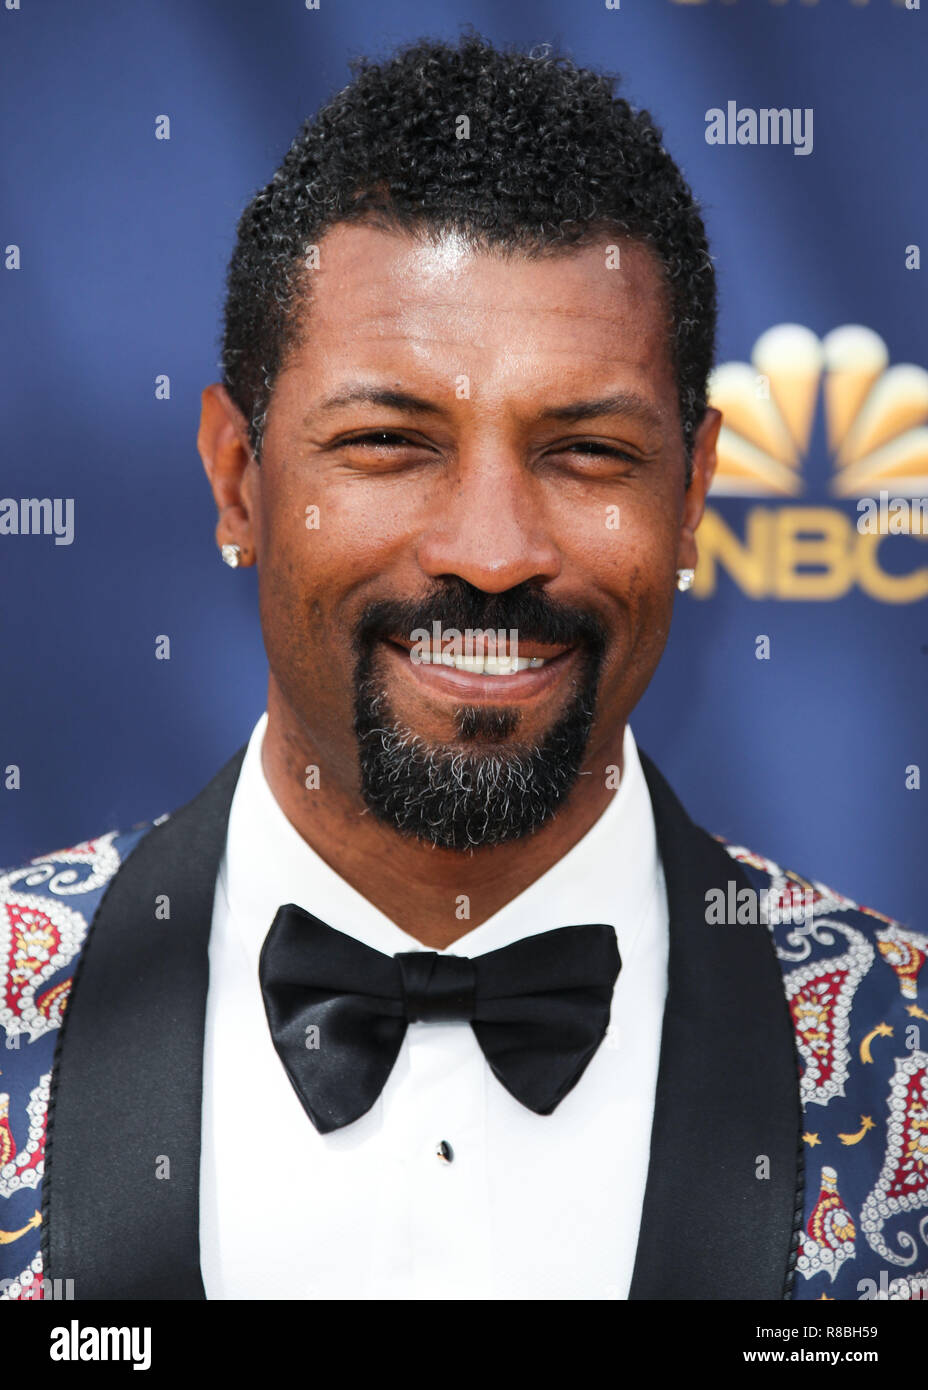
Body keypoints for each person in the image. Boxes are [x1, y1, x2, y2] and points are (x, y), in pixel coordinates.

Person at [1, 33, 924, 1304]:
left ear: (696, 488)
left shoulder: (907, 1054)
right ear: (237, 480)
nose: (491, 551)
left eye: (588, 451)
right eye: (388, 441)